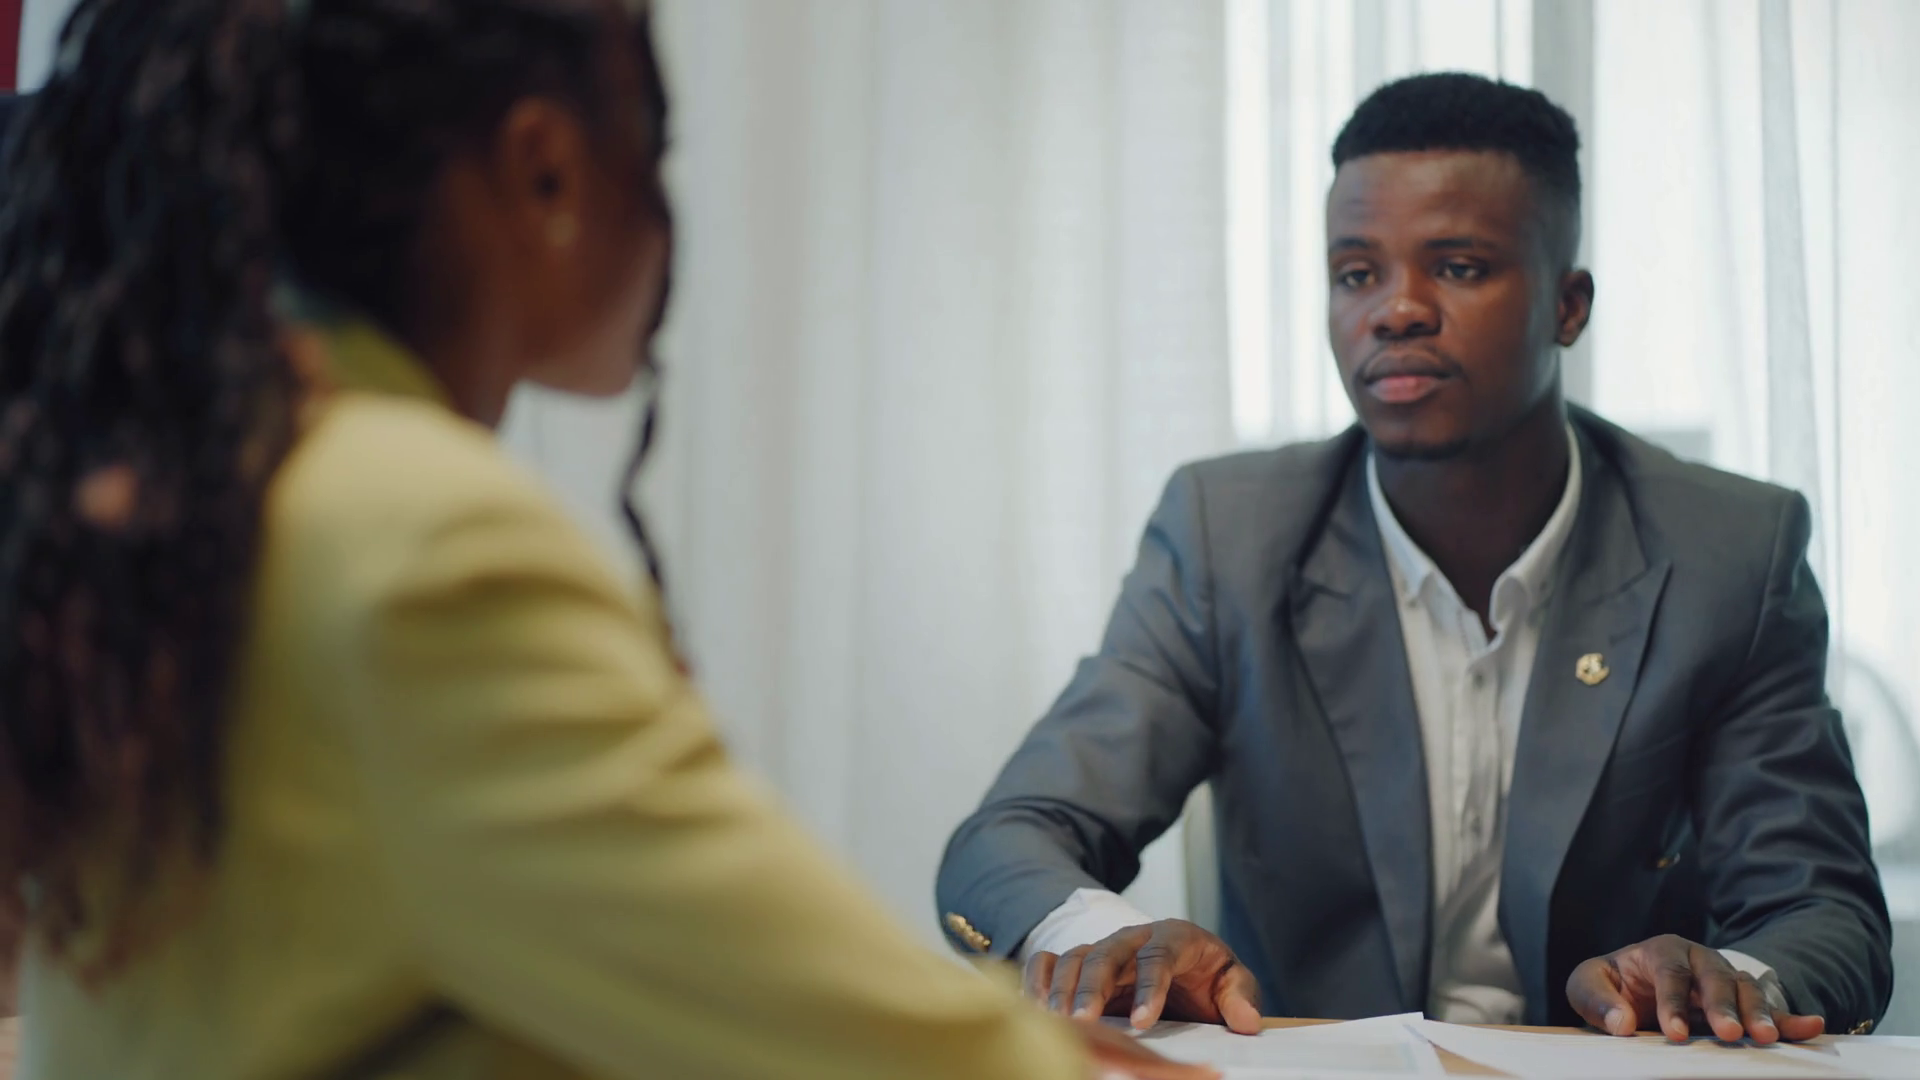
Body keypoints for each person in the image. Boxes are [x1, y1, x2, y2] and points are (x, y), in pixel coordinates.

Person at [0, 2, 1211, 1078]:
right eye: (659, 148)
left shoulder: (200, 474)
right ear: (545, 173)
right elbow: (794, 1007)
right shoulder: (417, 533)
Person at [937, 72, 1892, 1043]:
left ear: (1569, 305)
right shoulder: (1230, 536)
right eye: (1357, 273)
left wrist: (1732, 977)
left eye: (1460, 267)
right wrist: (1108, 933)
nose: (1395, 311)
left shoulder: (1726, 552)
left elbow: (1825, 914)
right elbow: (1009, 841)